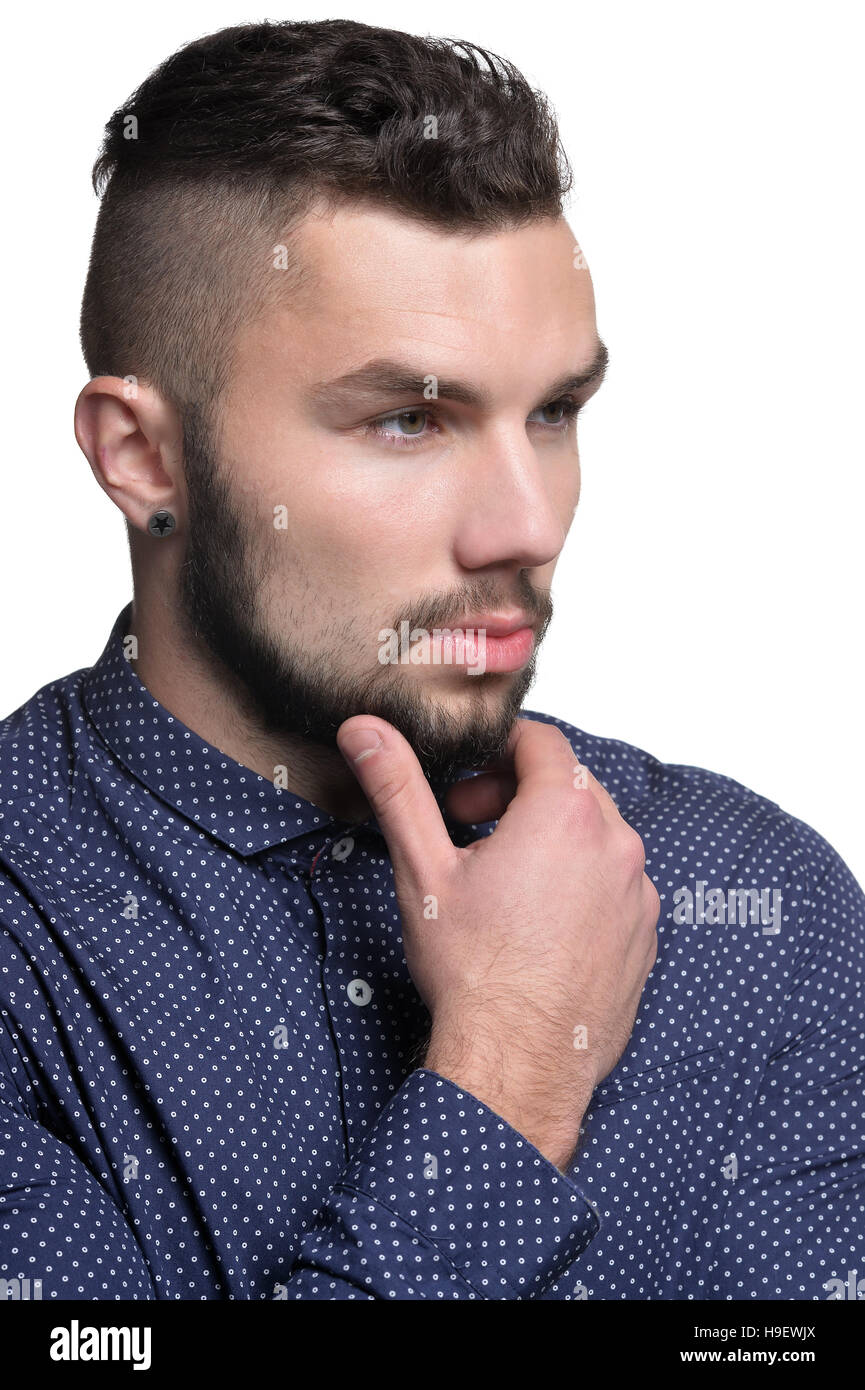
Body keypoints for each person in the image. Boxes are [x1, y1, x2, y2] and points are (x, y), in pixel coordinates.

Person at [0, 18, 861, 1301]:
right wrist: (508, 1073)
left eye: (554, 412)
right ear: (142, 457)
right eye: (410, 417)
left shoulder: (756, 904)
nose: (525, 525)